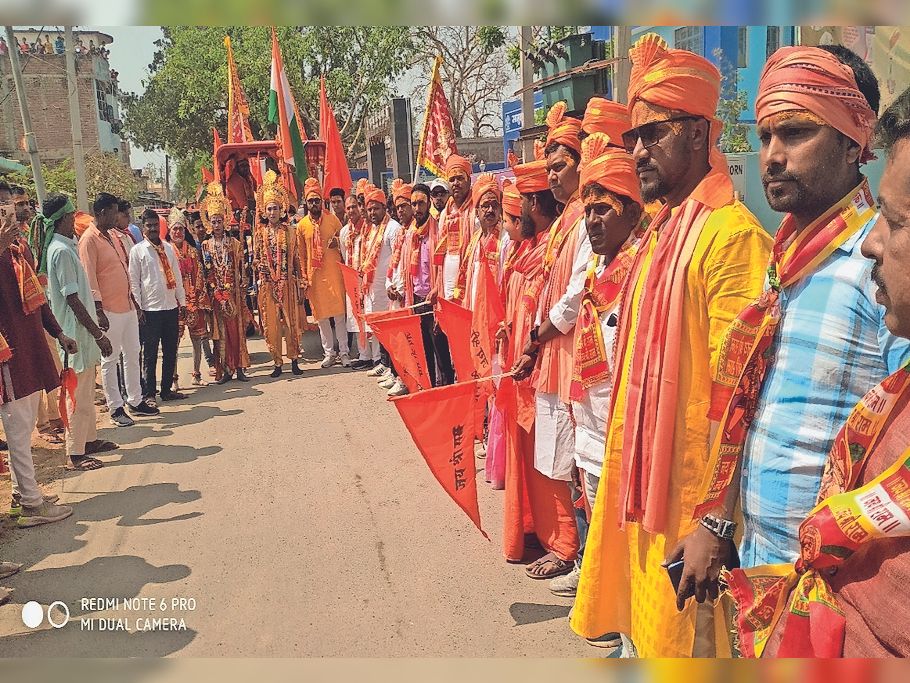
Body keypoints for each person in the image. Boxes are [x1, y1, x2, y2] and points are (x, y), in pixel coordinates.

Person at [676, 46, 910, 619]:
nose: (772, 157)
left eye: (796, 133)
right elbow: (748, 410)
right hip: (762, 571)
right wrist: (717, 519)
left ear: (856, 139)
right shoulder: (783, 262)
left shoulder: (882, 268)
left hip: (838, 596)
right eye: (764, 137)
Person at [570, 34, 771, 657]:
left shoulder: (732, 237)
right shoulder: (663, 231)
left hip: (688, 517)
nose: (637, 152)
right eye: (632, 138)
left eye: (652, 134)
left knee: (688, 654)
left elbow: (739, 399)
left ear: (697, 133)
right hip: (640, 502)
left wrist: (714, 521)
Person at [561, 134, 645, 602]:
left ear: (632, 213)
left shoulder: (640, 271)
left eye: (604, 210)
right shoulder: (597, 270)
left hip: (621, 437)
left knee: (626, 548)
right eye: (588, 210)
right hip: (590, 430)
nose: (591, 221)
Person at [511, 102, 590, 587]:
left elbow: (576, 294)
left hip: (573, 358)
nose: (553, 178)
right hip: (552, 357)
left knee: (581, 467)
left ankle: (580, 562)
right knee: (568, 465)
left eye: (560, 167)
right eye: (550, 169)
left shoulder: (586, 218)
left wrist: (539, 335)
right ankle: (576, 558)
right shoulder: (565, 220)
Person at [500, 158, 579, 572]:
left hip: (567, 365)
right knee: (552, 458)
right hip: (542, 360)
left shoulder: (576, 225)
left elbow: (572, 299)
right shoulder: (556, 235)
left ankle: (569, 549)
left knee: (567, 464)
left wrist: (533, 341)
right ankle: (557, 542)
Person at [0, 207, 76, 526]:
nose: (14, 222)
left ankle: (23, 495)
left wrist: (58, 332)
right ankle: (32, 506)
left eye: (15, 214)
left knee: (25, 426)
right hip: (9, 358)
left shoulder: (19, 253)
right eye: (6, 215)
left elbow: (40, 300)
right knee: (17, 432)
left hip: (30, 352)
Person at [40, 193, 115, 471]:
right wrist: (98, 333)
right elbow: (71, 299)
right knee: (76, 394)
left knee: (85, 392)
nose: (75, 219)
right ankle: (74, 454)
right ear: (62, 219)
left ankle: (89, 440)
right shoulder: (59, 251)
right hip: (74, 334)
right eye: (72, 215)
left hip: (82, 332)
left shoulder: (66, 246)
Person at [79, 193, 158, 427]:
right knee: (110, 359)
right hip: (108, 311)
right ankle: (115, 407)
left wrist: (134, 302)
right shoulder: (89, 240)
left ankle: (135, 399)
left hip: (127, 307)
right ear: (102, 212)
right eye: (114, 211)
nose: (118, 216)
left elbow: (124, 270)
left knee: (133, 354)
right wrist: (98, 311)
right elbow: (89, 278)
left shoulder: (113, 235)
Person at [130, 209, 187, 402]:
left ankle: (166, 390)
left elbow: (177, 277)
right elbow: (134, 283)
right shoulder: (137, 251)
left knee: (171, 350)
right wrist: (138, 308)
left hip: (170, 307)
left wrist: (183, 301)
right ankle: (149, 394)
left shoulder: (169, 248)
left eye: (156, 225)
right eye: (149, 225)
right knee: (150, 353)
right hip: (149, 311)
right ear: (143, 227)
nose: (153, 229)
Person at [252, 171, 303, 378]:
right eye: (269, 209)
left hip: (287, 282)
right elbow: (254, 259)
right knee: (272, 326)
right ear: (264, 211)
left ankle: (294, 360)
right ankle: (277, 363)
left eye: (275, 208)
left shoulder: (290, 232)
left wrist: (300, 282)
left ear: (282, 209)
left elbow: (297, 258)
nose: (272, 212)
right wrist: (259, 265)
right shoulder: (259, 233)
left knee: (291, 323)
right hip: (267, 285)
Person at [297, 177, 349, 369]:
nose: (314, 204)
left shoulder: (333, 220)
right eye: (311, 201)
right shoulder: (302, 226)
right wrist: (303, 277)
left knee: (339, 316)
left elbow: (346, 242)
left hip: (335, 273)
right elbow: (301, 254)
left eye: (317, 200)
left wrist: (339, 243)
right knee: (322, 318)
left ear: (322, 201)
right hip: (315, 276)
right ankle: (329, 353)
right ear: (306, 203)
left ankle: (344, 352)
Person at [200, 182, 250, 383]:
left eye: (220, 220)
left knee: (236, 332)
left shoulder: (234, 243)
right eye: (214, 221)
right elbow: (207, 272)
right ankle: (225, 370)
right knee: (220, 335)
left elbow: (241, 269)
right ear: (209, 223)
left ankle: (239, 368)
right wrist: (215, 292)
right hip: (216, 297)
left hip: (233, 295)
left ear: (225, 222)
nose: (217, 225)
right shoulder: (206, 246)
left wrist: (238, 287)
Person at [169, 208, 212, 387]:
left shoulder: (193, 251)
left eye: (180, 229)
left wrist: (197, 299)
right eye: (174, 229)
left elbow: (199, 274)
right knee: (174, 343)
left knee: (197, 339)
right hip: (175, 304)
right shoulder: (166, 252)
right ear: (169, 232)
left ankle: (196, 374)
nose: (178, 232)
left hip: (193, 301)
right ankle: (174, 379)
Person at [361, 185, 402, 373]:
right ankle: (383, 364)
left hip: (389, 290)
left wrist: (392, 284)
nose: (372, 212)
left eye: (376, 208)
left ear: (385, 208)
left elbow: (398, 258)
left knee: (389, 329)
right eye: (369, 209)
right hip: (374, 289)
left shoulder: (393, 228)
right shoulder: (372, 230)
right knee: (379, 328)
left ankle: (391, 367)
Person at [400, 183, 438, 384]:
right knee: (423, 348)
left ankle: (445, 389)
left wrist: (437, 289)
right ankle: (430, 386)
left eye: (421, 203)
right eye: (413, 204)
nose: (417, 208)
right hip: (415, 298)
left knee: (439, 349)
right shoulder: (410, 233)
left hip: (433, 299)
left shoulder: (438, 229)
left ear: (429, 202)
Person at [434, 155, 475, 303]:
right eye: (451, 180)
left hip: (471, 273)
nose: (456, 183)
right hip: (447, 276)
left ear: (469, 180)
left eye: (460, 178)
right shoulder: (446, 212)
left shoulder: (477, 209)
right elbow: (441, 250)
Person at [340, 194, 371, 370]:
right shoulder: (344, 232)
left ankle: (374, 357)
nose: (351, 210)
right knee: (357, 317)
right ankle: (363, 354)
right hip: (352, 281)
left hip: (367, 280)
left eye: (354, 207)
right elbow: (345, 255)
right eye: (349, 207)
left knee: (368, 317)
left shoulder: (368, 229)